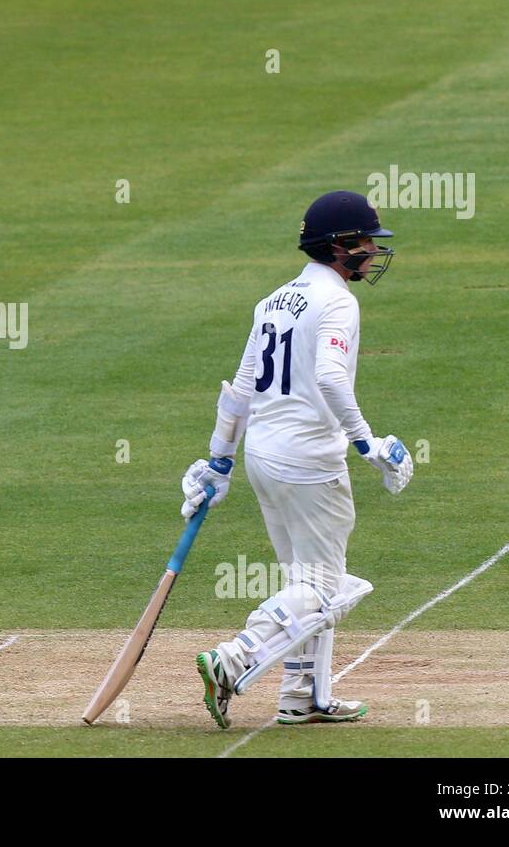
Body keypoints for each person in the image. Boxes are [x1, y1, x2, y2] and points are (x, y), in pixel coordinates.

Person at [182, 191, 413, 727]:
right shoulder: (338, 302)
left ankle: (301, 695)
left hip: (264, 453)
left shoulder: (273, 301)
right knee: (322, 586)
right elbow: (331, 376)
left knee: (304, 579)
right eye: (364, 241)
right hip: (310, 460)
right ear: (337, 247)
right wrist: (366, 443)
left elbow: (240, 387)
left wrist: (220, 460)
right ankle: (233, 657)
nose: (373, 251)